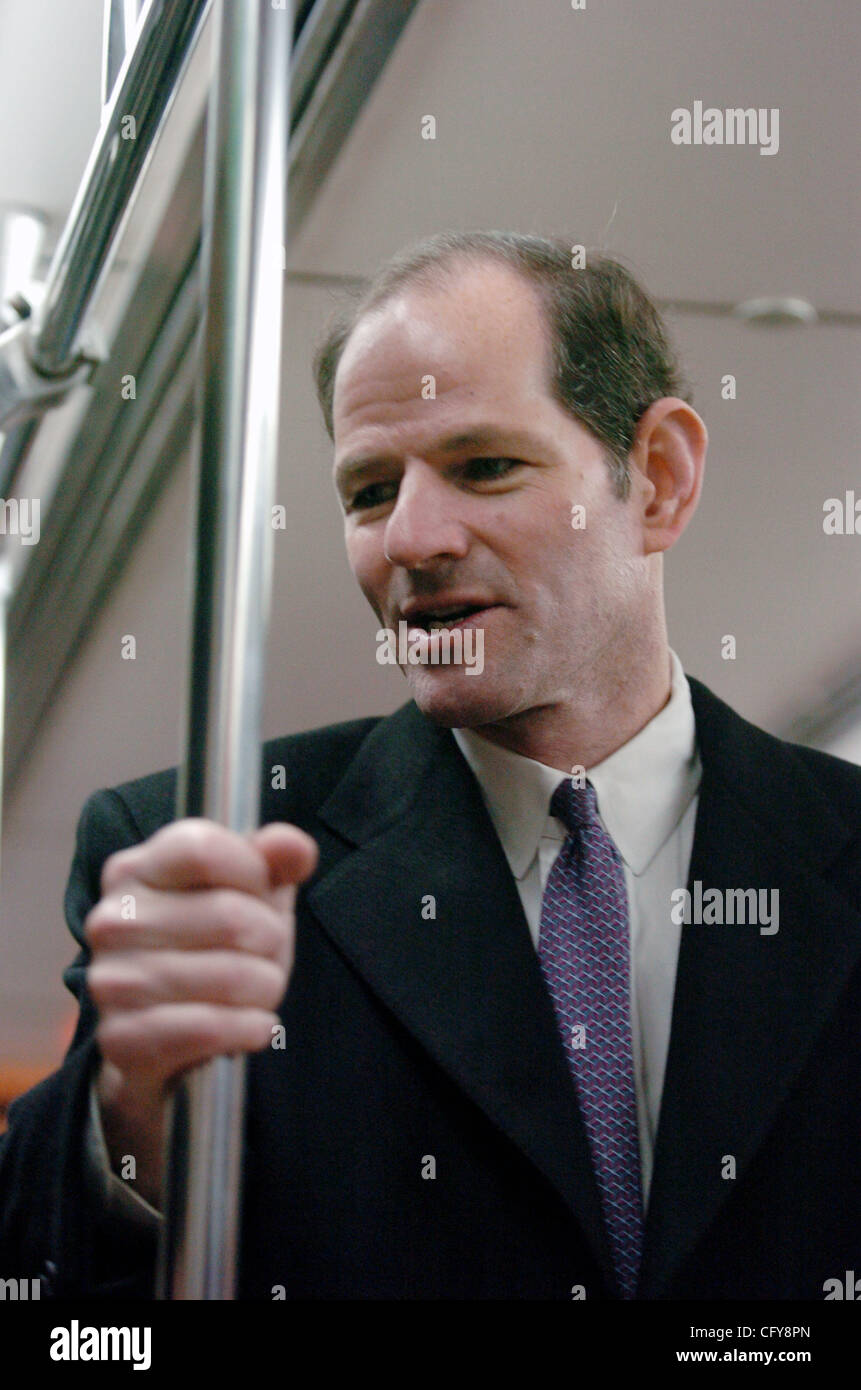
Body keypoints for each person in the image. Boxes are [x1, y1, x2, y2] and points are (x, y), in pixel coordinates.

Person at [1, 232, 859, 1300]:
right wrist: (130, 1123)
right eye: (367, 489)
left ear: (661, 480)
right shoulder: (206, 854)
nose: (409, 537)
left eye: (483, 465)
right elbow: (45, 1297)